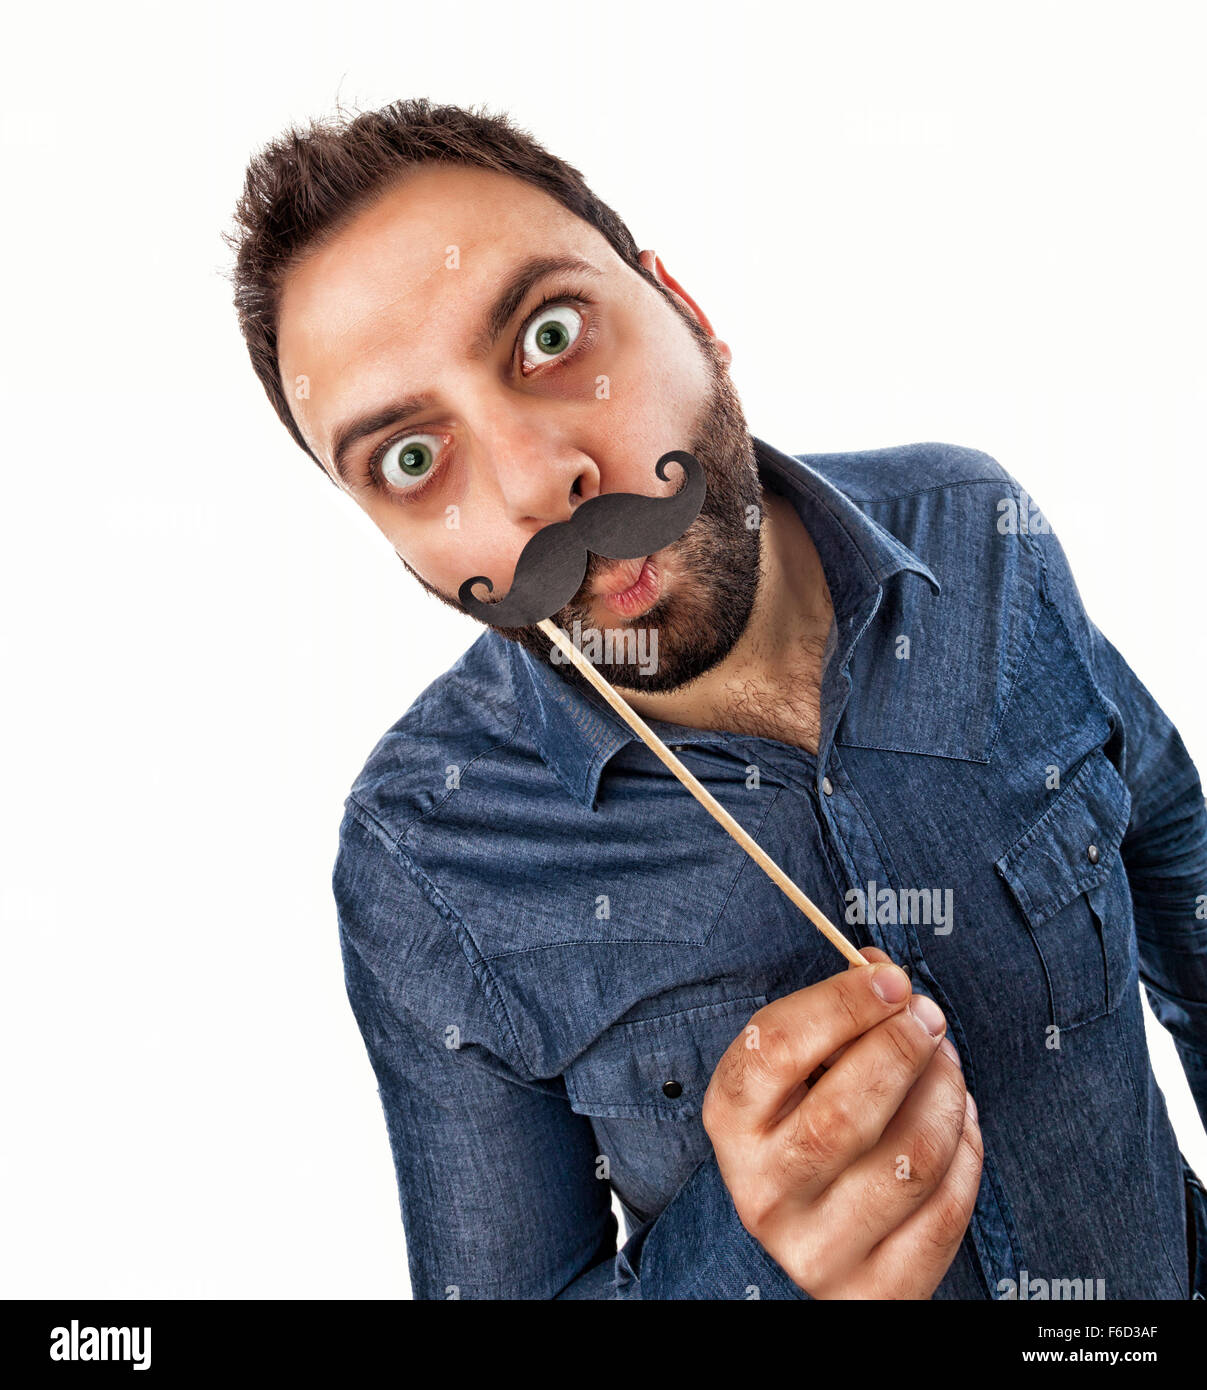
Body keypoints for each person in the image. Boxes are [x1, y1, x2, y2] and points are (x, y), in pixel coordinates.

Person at [226, 97, 1207, 1299]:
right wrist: (745, 1258)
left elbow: (1161, 825)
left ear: (686, 309)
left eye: (547, 335)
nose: (540, 485)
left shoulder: (973, 527)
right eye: (411, 460)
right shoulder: (424, 856)